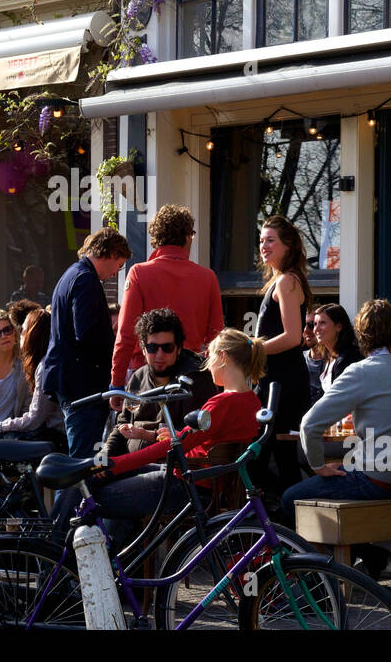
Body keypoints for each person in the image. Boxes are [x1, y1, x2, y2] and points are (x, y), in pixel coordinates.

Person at [51, 328, 267, 542]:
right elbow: (199, 442)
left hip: (187, 485)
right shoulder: (252, 401)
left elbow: (174, 447)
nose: (207, 365)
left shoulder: (222, 403)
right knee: (89, 479)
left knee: (84, 490)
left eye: (209, 357)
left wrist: (114, 463)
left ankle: (54, 555)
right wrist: (156, 437)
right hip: (200, 482)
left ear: (223, 357)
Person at [282, 299, 391, 576]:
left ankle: (322, 578)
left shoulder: (361, 371)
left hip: (379, 479)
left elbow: (309, 425)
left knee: (290, 499)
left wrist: (318, 467)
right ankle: (369, 558)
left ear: (360, 333)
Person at [110, 204, 224, 390]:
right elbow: (216, 338)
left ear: (156, 238)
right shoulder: (207, 277)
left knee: (144, 420)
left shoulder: (139, 273)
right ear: (188, 237)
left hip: (148, 374)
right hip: (190, 375)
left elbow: (126, 334)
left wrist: (117, 382)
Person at [42, 227, 132, 458]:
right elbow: (88, 334)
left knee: (84, 458)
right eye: (119, 265)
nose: (115, 274)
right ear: (110, 253)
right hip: (83, 384)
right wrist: (114, 358)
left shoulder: (71, 274)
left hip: (70, 380)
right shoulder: (86, 279)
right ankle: (73, 496)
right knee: (81, 463)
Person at [0, 308, 66, 475]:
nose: (18, 334)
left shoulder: (42, 366)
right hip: (34, 432)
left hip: (51, 438)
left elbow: (33, 418)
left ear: (33, 333)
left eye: (11, 330)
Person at [104, 308, 217, 458]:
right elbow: (121, 425)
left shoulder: (195, 380)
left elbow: (197, 436)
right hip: (132, 464)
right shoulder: (138, 378)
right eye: (152, 348)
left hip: (170, 469)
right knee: (93, 477)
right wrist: (103, 457)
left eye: (167, 348)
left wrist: (148, 435)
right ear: (143, 349)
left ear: (178, 349)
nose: (159, 355)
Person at [254, 215, 312, 496]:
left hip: (282, 384)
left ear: (287, 245)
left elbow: (293, 336)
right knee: (277, 457)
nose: (263, 245)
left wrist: (251, 348)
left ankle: (286, 522)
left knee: (265, 458)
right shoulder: (282, 280)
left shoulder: (287, 281)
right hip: (277, 380)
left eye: (270, 240)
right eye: (261, 240)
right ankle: (287, 523)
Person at [305, 303, 362, 406]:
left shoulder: (348, 358)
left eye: (322, 323)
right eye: (315, 324)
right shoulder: (329, 357)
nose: (316, 330)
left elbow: (340, 402)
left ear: (339, 326)